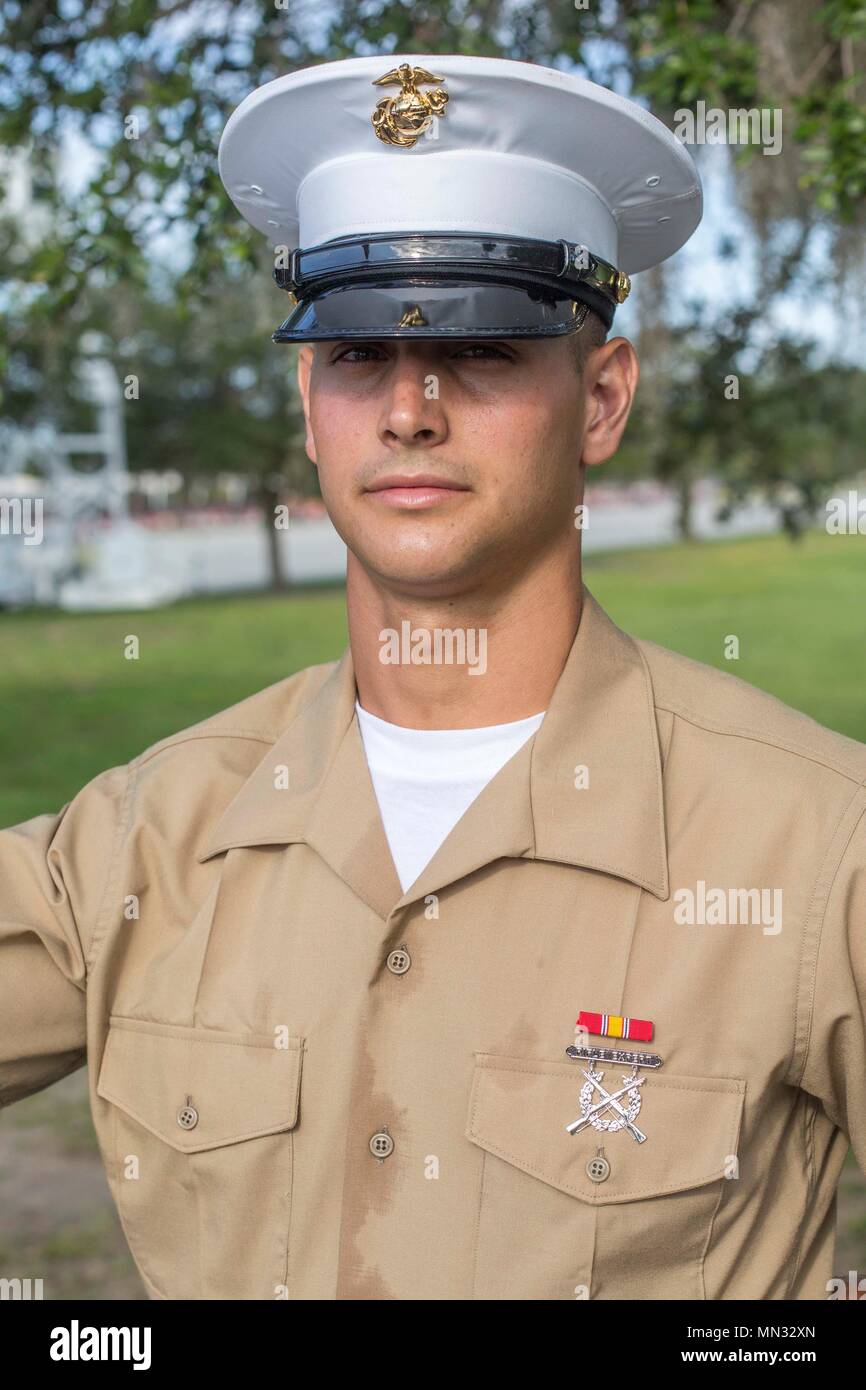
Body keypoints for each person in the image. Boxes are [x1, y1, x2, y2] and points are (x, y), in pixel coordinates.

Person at [1, 54, 864, 1302]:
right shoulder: (150, 837)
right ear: (309, 400)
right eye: (355, 354)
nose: (408, 407)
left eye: (484, 347)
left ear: (603, 398)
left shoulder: (812, 840)